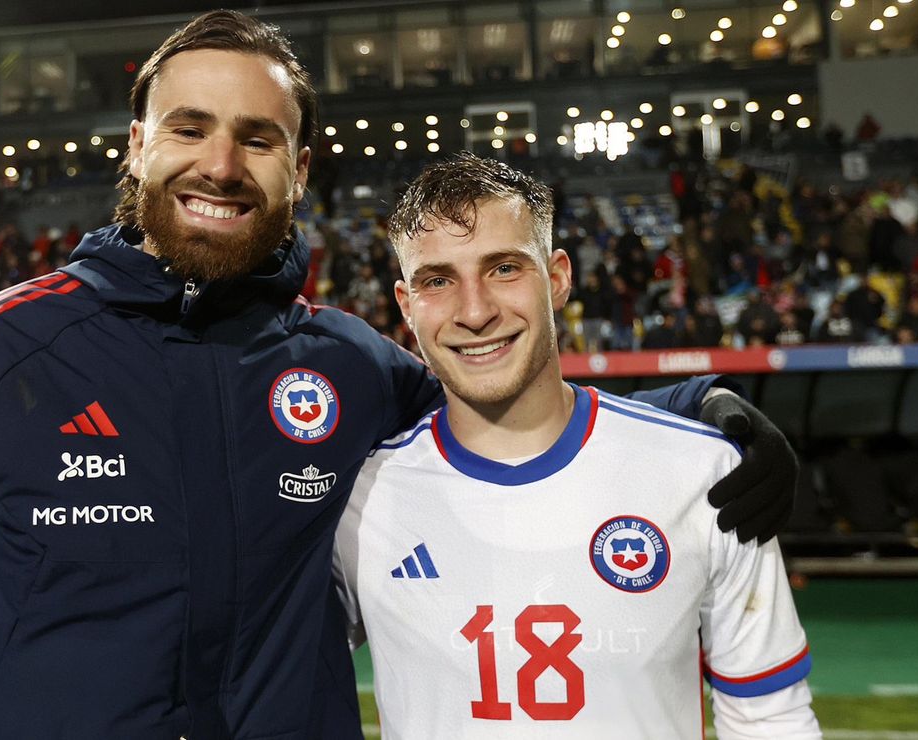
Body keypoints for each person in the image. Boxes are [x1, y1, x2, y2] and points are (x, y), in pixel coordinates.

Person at [0, 11, 797, 739]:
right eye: (190, 128)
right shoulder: (3, 347)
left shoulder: (350, 366)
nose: (222, 163)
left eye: (258, 137)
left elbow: (499, 411)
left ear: (299, 168)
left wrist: (693, 411)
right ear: (139, 145)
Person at [334, 153, 820, 739]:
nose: (475, 311)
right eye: (438, 280)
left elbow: (771, 718)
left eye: (504, 268)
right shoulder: (359, 501)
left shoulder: (706, 474)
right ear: (407, 306)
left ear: (558, 278)